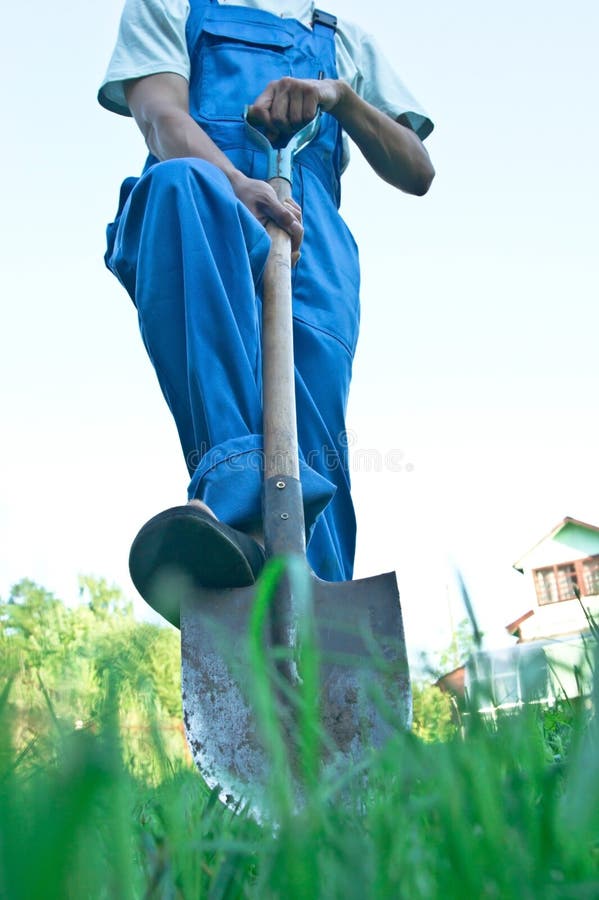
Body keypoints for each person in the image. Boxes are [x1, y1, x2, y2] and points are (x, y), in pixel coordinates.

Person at [99, 0, 434, 626]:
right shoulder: (171, 5)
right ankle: (242, 504)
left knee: (314, 447)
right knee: (178, 182)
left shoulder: (344, 41)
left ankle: (317, 640)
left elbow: (417, 169)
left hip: (313, 248)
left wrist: (339, 98)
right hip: (204, 223)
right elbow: (161, 116)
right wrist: (235, 183)